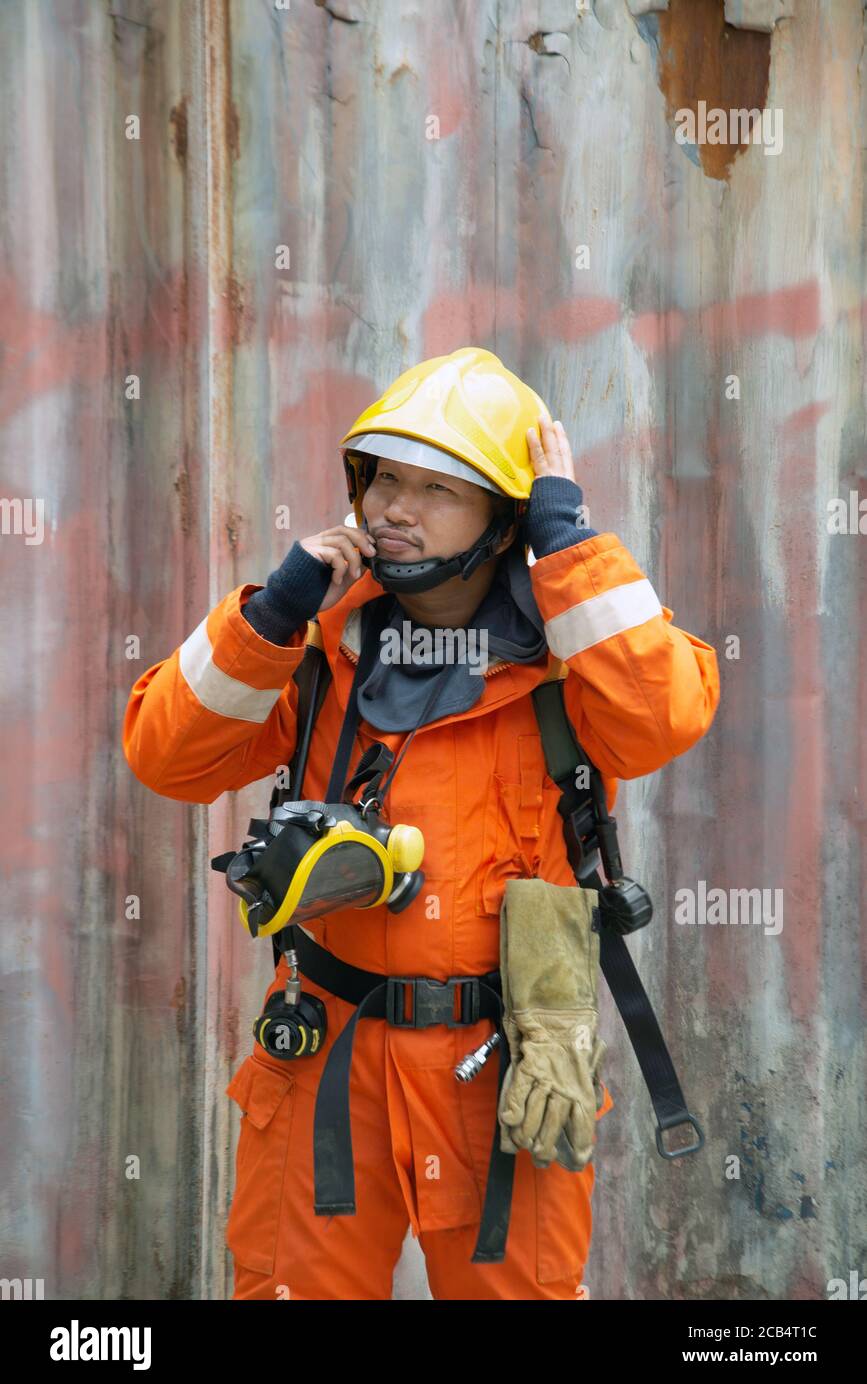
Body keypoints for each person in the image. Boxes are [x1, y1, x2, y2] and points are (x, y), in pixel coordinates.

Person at [122, 347, 720, 1300]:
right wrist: (270, 616)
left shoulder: (577, 659)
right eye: (385, 479)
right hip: (324, 1049)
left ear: (505, 515)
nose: (395, 509)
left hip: (502, 1067)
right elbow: (167, 757)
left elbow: (660, 719)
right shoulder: (312, 643)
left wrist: (567, 549)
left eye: (438, 488)